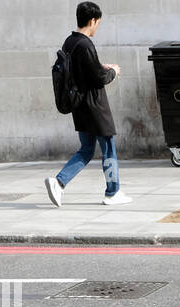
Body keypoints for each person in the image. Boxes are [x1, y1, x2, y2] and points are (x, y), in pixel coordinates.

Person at [44, 2, 132, 208]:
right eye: (98, 23)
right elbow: (99, 77)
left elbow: (84, 70)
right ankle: (113, 192)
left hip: (80, 107)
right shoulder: (85, 45)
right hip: (95, 106)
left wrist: (102, 66)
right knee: (108, 147)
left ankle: (58, 182)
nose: (97, 27)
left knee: (86, 150)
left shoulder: (70, 42)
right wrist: (113, 72)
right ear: (92, 21)